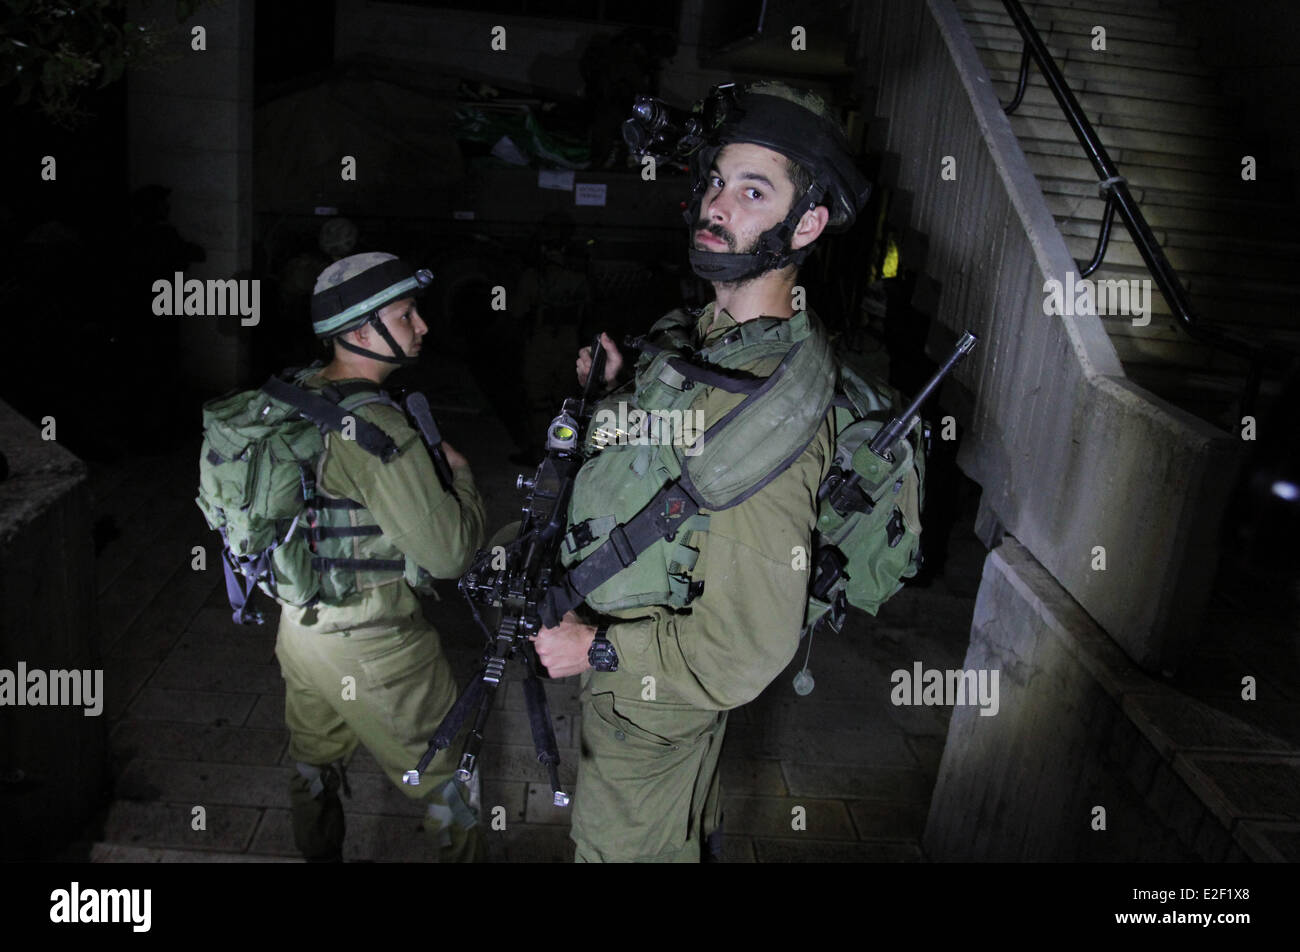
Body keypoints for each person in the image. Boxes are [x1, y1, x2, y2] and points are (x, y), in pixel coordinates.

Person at [532, 82, 871, 862]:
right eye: (717, 182)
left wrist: (598, 650)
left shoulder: (770, 416)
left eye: (754, 192)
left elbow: (744, 651)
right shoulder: (717, 335)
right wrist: (616, 389)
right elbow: (673, 457)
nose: (716, 206)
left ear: (807, 223)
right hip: (650, 673)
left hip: (651, 704)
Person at [277, 252, 487, 861]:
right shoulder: (377, 429)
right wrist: (463, 477)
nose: (423, 325)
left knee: (313, 763)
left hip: (303, 628)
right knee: (452, 780)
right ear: (361, 333)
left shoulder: (298, 391)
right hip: (376, 645)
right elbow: (450, 553)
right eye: (406, 314)